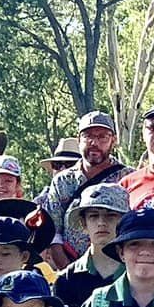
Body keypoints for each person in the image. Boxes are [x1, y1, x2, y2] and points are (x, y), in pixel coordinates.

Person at [41, 111, 129, 260]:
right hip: (72, 265)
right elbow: (53, 232)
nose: (94, 143)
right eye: (88, 136)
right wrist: (68, 271)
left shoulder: (127, 178)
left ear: (113, 140)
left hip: (118, 265)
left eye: (102, 136)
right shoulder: (62, 181)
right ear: (79, 140)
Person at [51, 184, 128, 307]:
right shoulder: (66, 280)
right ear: (83, 224)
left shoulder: (140, 275)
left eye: (111, 215)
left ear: (124, 222)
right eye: (93, 216)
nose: (101, 223)